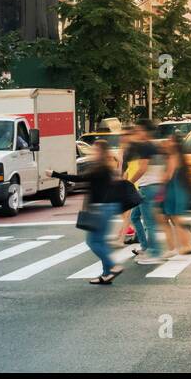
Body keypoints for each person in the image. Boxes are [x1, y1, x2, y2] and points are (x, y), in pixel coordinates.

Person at [53, 140, 125, 284]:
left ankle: (113, 265)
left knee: (92, 241)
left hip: (101, 208)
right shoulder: (106, 166)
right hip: (107, 207)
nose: (93, 152)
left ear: (101, 152)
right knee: (101, 241)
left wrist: (55, 174)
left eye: (95, 150)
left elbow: (79, 178)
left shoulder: (101, 168)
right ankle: (106, 274)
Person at [126, 119, 166, 263]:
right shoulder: (155, 146)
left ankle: (155, 253)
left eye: (138, 130)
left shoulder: (145, 146)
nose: (137, 133)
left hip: (147, 187)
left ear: (145, 131)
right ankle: (146, 247)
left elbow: (142, 168)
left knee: (150, 223)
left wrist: (128, 182)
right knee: (135, 216)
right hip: (152, 186)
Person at [161, 133, 191, 254]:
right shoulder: (179, 156)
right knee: (175, 218)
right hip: (178, 189)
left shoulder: (173, 157)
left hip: (174, 191)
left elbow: (168, 176)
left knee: (176, 218)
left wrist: (159, 179)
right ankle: (187, 245)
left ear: (175, 144)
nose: (167, 142)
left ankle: (188, 246)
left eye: (170, 140)